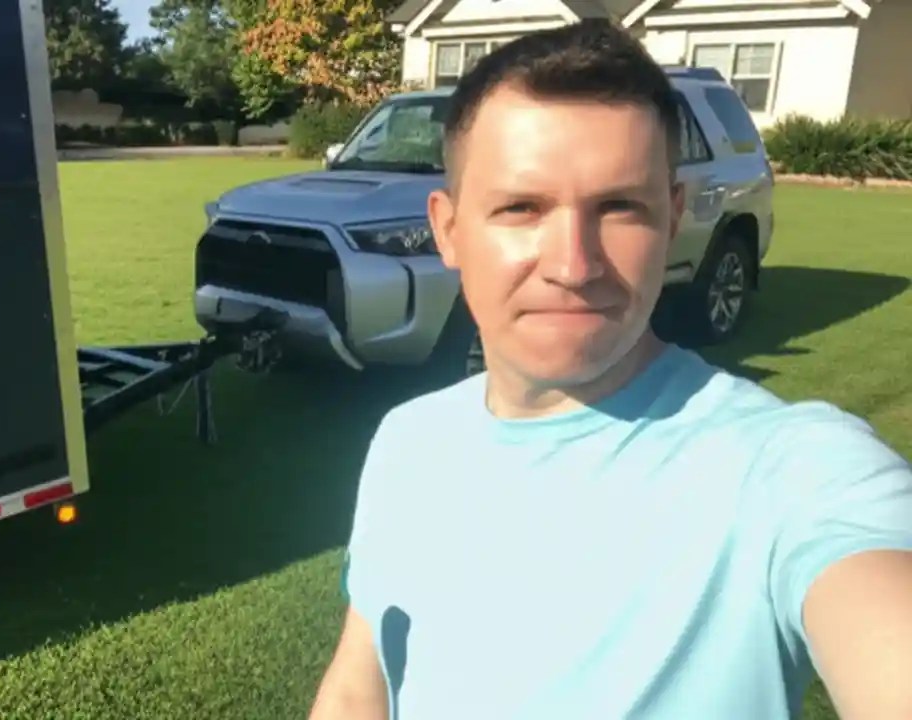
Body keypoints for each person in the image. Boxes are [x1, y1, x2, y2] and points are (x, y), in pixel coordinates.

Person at [308, 19, 912, 720]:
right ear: (447, 229)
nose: (573, 265)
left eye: (619, 208)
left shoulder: (786, 467)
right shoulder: (409, 442)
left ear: (673, 216)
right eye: (521, 208)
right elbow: (361, 685)